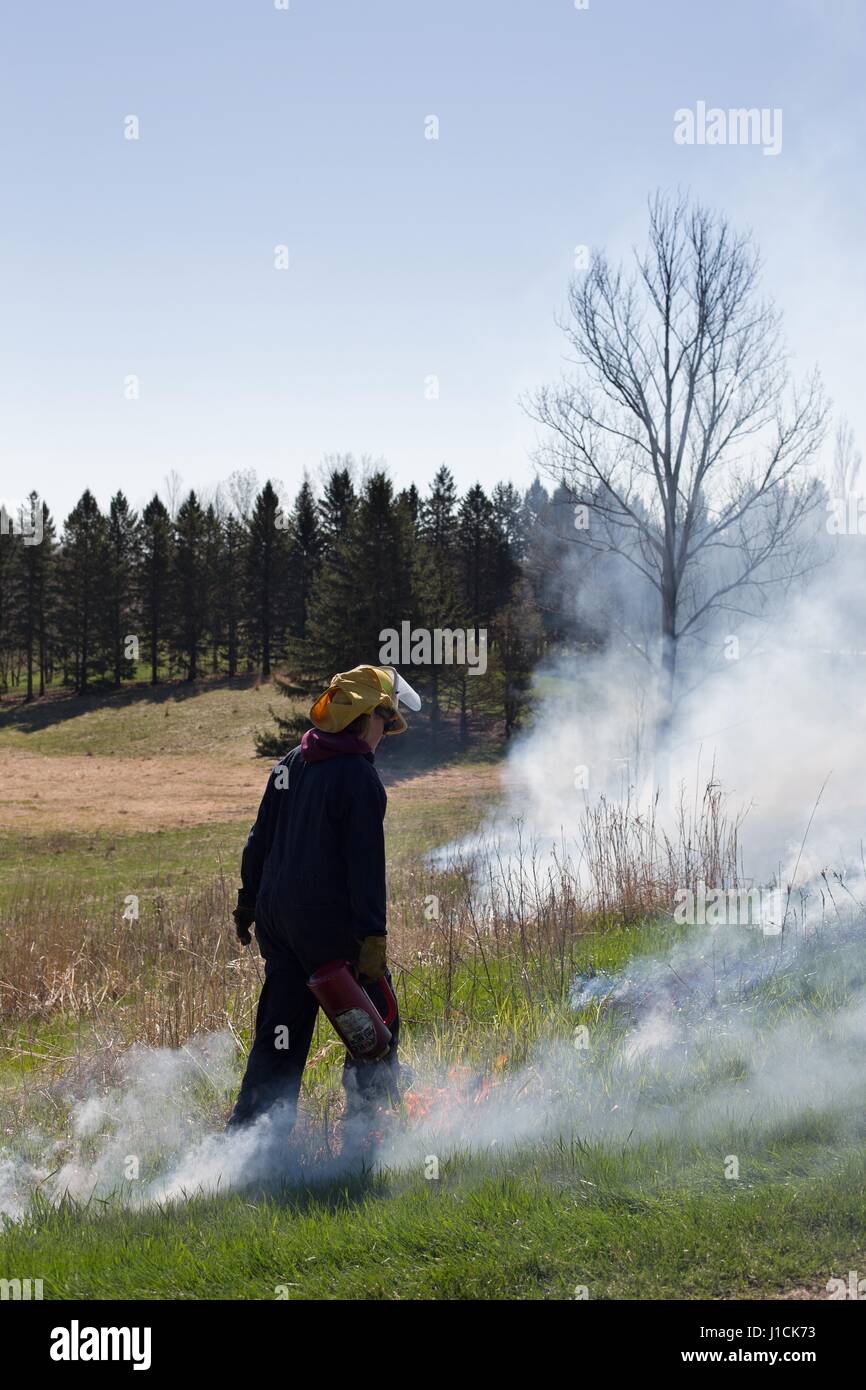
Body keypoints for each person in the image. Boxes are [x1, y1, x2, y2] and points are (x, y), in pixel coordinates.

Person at [227, 664, 421, 1130]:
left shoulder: (291, 762)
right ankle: (366, 1131)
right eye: (383, 723)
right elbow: (365, 868)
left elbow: (258, 841)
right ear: (364, 717)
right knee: (376, 1026)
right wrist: (372, 938)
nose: (384, 735)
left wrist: (248, 902)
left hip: (279, 928)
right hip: (329, 932)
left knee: (280, 1036)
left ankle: (251, 1145)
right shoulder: (359, 778)